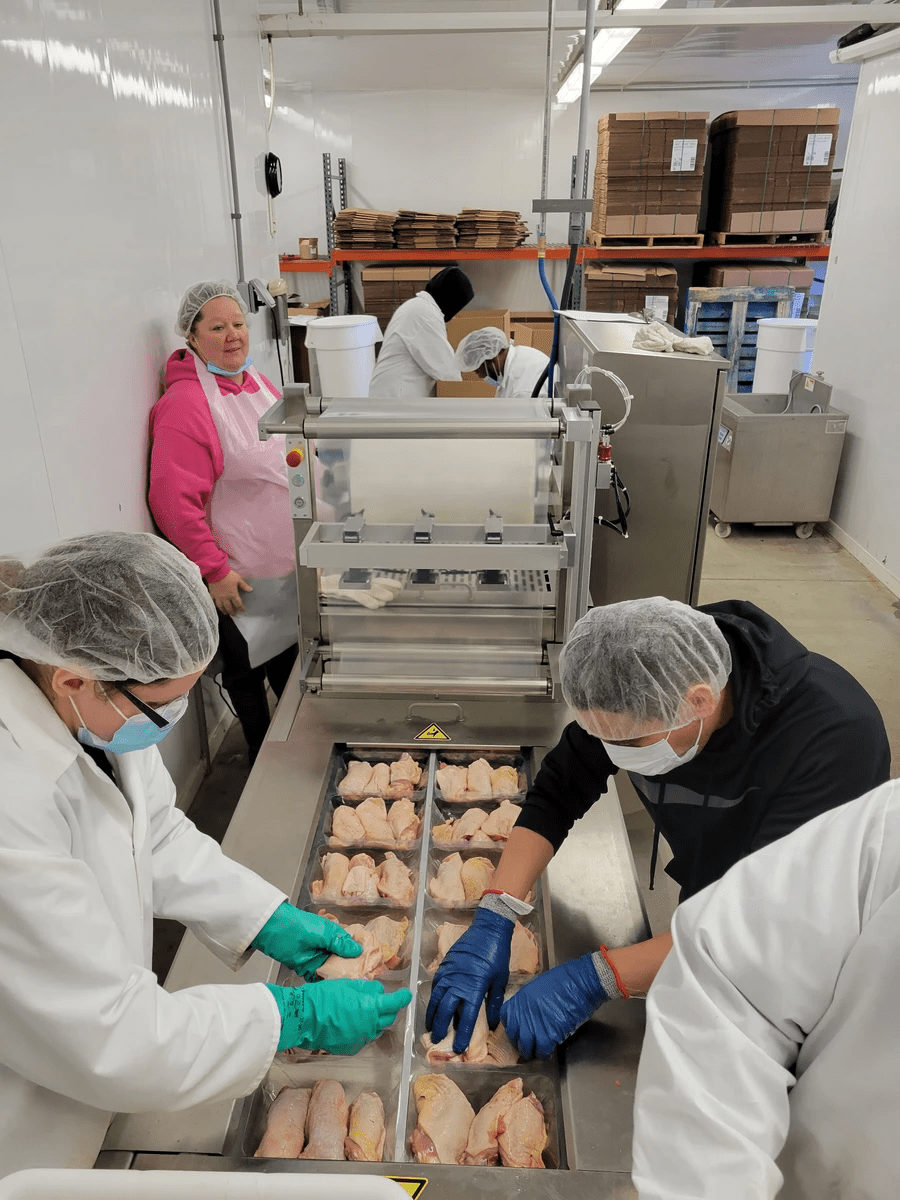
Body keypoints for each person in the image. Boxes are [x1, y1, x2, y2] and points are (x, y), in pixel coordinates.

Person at [0, 532, 411, 1176]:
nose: (173, 718)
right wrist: (289, 1017)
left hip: (85, 1058)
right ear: (75, 678)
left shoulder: (90, 707)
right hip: (23, 1109)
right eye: (162, 704)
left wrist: (265, 916)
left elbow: (152, 833)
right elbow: (111, 1035)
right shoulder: (10, 800)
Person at [427, 596, 890, 1059]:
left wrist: (598, 977)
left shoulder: (836, 737)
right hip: (709, 911)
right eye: (601, 737)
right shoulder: (636, 672)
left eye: (630, 742)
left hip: (812, 960)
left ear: (699, 702)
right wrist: (498, 911)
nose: (612, 752)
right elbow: (559, 791)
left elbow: (770, 923)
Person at [632, 776, 900, 1199]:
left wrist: (602, 973)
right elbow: (735, 982)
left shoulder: (838, 738)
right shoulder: (890, 830)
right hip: (797, 1172)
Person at [149, 281, 297, 764]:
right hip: (238, 575)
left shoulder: (258, 382)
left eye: (238, 324)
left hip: (286, 565)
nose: (233, 335)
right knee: (246, 677)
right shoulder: (186, 405)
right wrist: (213, 569)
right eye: (217, 327)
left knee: (290, 665)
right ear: (191, 336)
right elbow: (173, 500)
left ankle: (293, 754)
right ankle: (261, 766)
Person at [368, 265, 474, 398]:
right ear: (451, 299)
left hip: (395, 398)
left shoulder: (418, 307)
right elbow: (447, 371)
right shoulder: (424, 314)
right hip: (396, 401)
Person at [455, 326, 550, 397]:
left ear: (490, 358)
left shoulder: (522, 390)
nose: (480, 376)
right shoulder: (517, 357)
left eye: (478, 371)